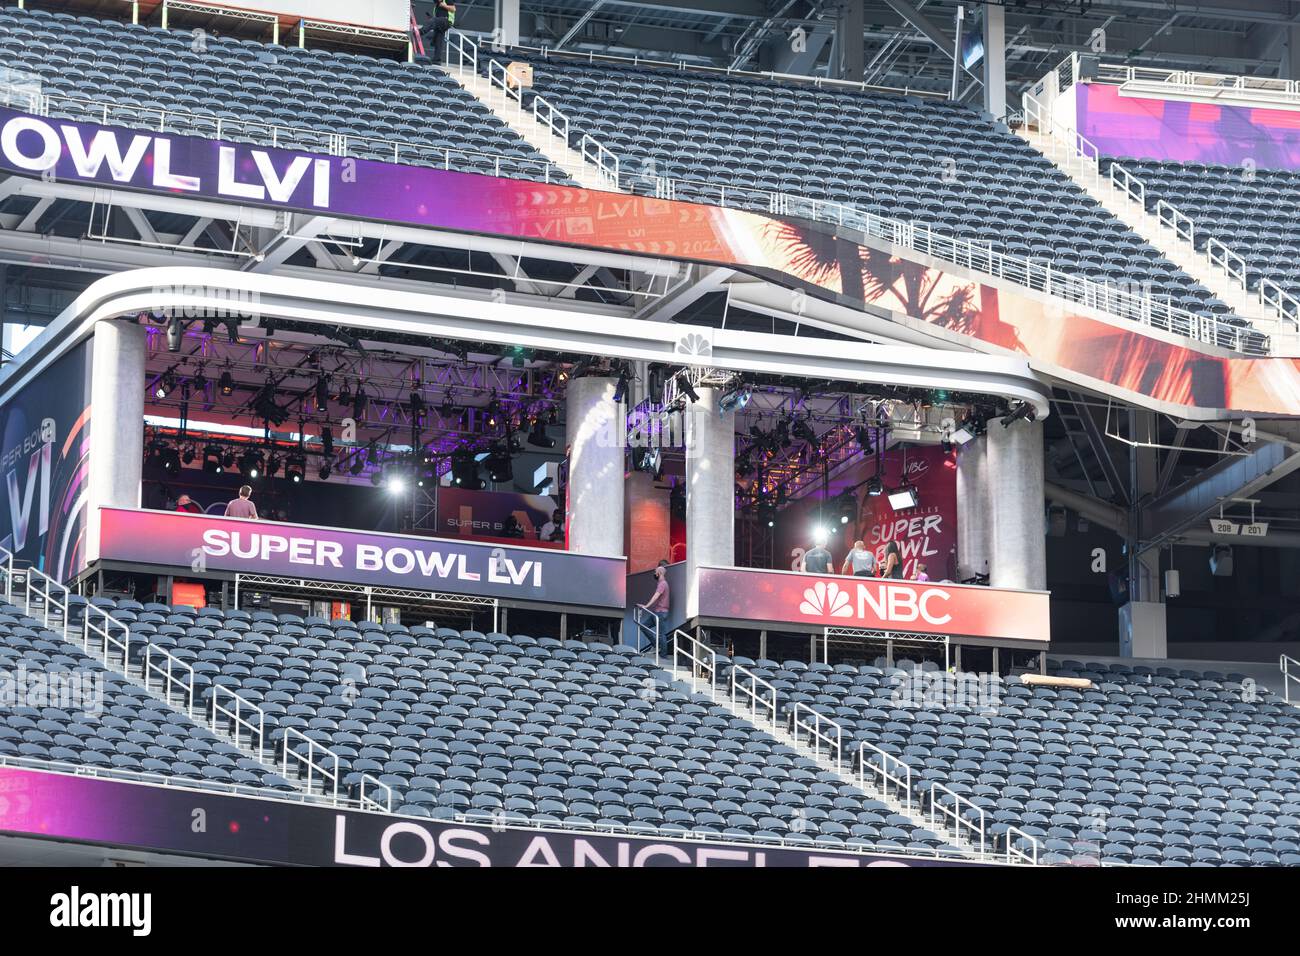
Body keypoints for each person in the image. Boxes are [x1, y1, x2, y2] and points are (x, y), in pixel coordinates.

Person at [644, 563, 671, 655]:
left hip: (661, 613)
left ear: (659, 573)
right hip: (656, 612)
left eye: (655, 572)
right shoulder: (661, 583)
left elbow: (656, 596)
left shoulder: (662, 584)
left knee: (661, 634)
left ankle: (663, 655)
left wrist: (646, 606)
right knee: (644, 626)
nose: (654, 574)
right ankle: (656, 645)